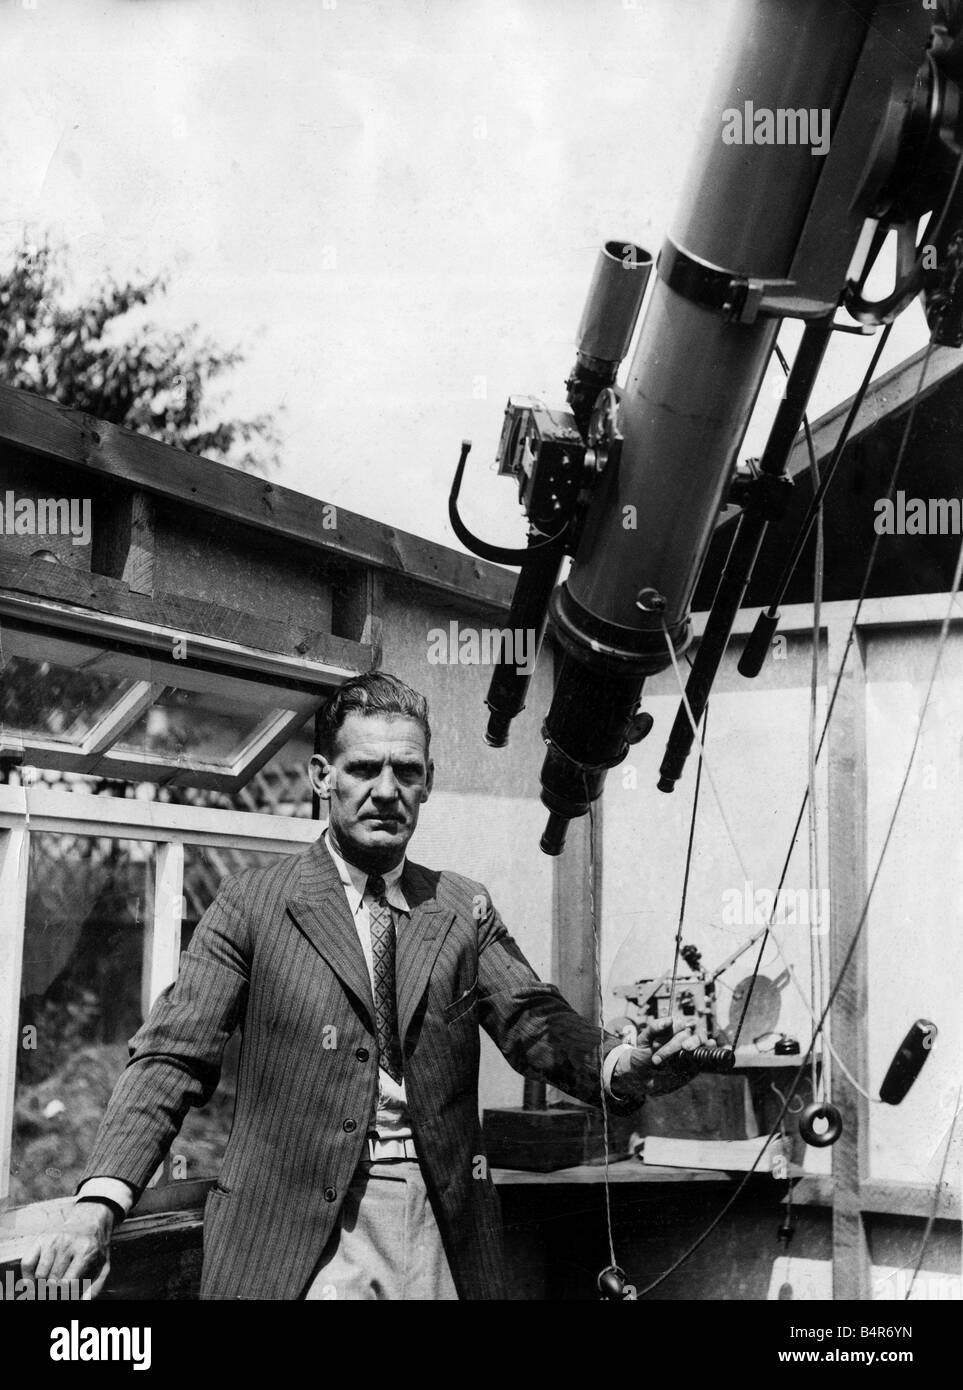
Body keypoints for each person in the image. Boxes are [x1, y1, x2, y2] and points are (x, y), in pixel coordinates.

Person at [22, 672, 698, 1301]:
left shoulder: (461, 908)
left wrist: (620, 1063)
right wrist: (99, 1203)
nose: (386, 789)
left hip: (441, 1227)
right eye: (364, 768)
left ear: (427, 780)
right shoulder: (252, 905)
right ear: (322, 776)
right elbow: (172, 1057)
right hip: (295, 1241)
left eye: (405, 771)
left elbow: (533, 1018)